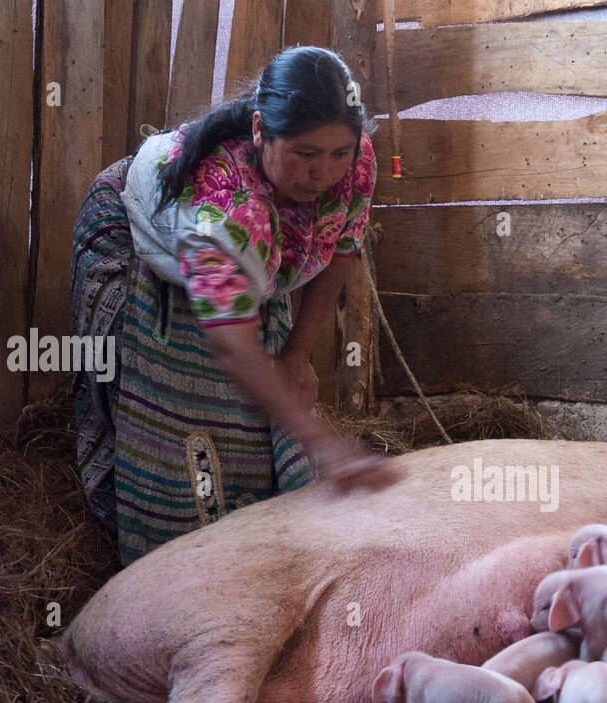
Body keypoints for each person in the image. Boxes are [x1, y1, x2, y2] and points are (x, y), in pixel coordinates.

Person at [70, 45, 397, 567]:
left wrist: (297, 352)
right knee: (177, 411)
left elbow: (342, 244)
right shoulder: (225, 206)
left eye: (338, 154)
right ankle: (158, 547)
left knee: (262, 410)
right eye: (306, 154)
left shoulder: (351, 162)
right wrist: (328, 445)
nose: (324, 174)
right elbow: (232, 345)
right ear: (261, 129)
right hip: (144, 232)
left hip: (251, 251)